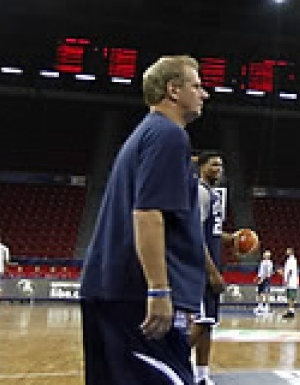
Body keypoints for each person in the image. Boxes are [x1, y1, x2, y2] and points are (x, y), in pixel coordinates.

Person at [79, 55, 222, 385]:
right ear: (173, 90)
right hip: (136, 295)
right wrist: (159, 291)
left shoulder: (144, 134)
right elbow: (148, 214)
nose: (205, 94)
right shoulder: (169, 136)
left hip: (112, 290)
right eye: (197, 86)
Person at [190, 150, 231, 385]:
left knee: (208, 325)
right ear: (202, 167)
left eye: (221, 165)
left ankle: (202, 376)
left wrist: (231, 238)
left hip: (212, 264)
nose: (219, 169)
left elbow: (212, 231)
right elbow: (195, 234)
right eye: (214, 164)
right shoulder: (199, 192)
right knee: (200, 322)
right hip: (200, 269)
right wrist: (212, 272)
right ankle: (172, 363)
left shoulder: (214, 195)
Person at [255, 250, 275, 315]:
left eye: (265, 254)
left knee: (267, 293)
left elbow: (268, 273)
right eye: (264, 254)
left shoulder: (269, 263)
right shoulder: (262, 262)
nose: (264, 255)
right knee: (260, 292)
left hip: (266, 279)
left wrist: (262, 279)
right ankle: (260, 306)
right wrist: (257, 278)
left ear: (268, 256)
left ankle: (267, 306)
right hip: (261, 278)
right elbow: (260, 271)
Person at [281, 248, 299, 319]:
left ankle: (291, 311)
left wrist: (287, 280)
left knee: (291, 297)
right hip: (289, 281)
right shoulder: (288, 260)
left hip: (291, 281)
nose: (286, 251)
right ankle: (290, 311)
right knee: (289, 297)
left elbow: (290, 271)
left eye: (288, 250)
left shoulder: (293, 260)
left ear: (291, 252)